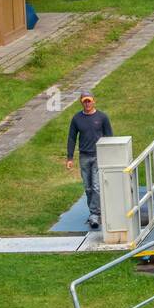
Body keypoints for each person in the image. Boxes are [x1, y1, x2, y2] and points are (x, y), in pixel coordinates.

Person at [65, 90, 113, 230]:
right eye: (84, 101)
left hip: (99, 156)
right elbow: (72, 138)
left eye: (89, 101)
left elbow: (109, 136)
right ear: (81, 102)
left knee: (96, 186)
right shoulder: (76, 119)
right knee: (87, 187)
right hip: (84, 156)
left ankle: (94, 214)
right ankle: (96, 211)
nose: (87, 103)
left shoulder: (102, 117)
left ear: (94, 101)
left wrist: (109, 155)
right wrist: (69, 157)